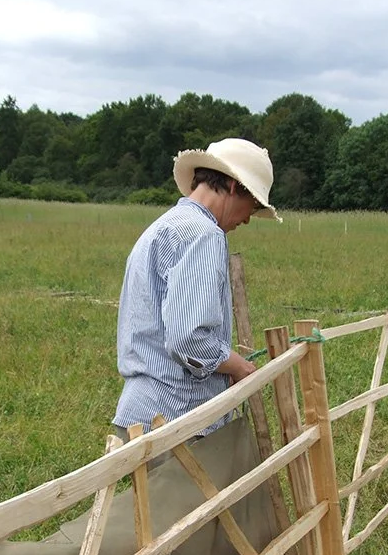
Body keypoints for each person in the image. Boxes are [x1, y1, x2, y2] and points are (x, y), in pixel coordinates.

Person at [112, 138, 282, 442]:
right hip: (177, 419)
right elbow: (188, 338)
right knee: (187, 492)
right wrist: (236, 364)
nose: (246, 219)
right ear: (232, 186)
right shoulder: (203, 235)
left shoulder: (165, 226)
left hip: (142, 414)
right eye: (252, 206)